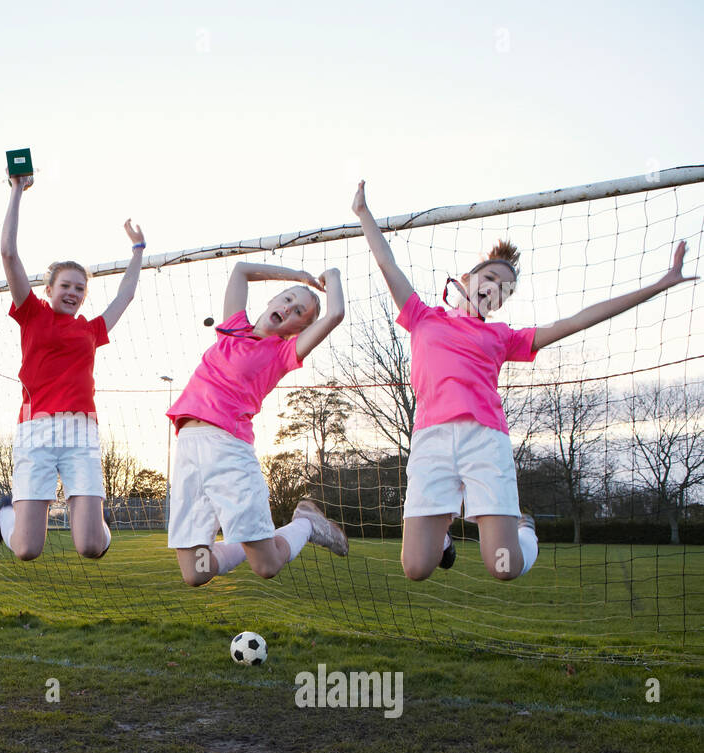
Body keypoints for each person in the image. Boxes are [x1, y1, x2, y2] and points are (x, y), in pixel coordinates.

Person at [352, 179, 697, 581]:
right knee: (415, 568)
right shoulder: (422, 316)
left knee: (503, 567)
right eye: (491, 279)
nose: (496, 290)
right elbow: (386, 264)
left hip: (484, 441)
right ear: (467, 277)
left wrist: (658, 286)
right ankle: (442, 533)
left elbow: (578, 319)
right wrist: (362, 212)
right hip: (431, 440)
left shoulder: (503, 337)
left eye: (505, 290)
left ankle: (525, 532)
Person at [0, 172, 144, 561]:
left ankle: (91, 516)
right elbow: (8, 252)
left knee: (91, 546)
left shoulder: (90, 331)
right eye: (65, 285)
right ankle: (6, 513)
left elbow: (124, 296)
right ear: (49, 289)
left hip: (81, 434)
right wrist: (17, 191)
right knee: (26, 549)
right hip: (36, 431)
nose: (72, 292)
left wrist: (138, 250)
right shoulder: (32, 314)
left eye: (80, 288)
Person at [167, 262, 350, 587]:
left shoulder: (282, 352)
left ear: (297, 329)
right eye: (288, 300)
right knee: (197, 570)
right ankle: (248, 541)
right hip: (188, 452)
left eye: (299, 312)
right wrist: (298, 277)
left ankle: (306, 524)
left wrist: (331, 276)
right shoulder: (232, 327)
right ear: (272, 301)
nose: (289, 308)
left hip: (228, 456)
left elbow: (335, 313)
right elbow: (240, 271)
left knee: (266, 565)